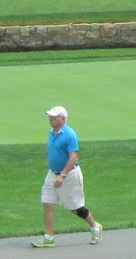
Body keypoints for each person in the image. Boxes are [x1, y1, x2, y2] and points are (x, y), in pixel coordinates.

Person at [32, 105, 103, 249]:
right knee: (47, 203)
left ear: (63, 119)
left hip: (69, 175)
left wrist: (62, 176)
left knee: (75, 208)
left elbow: (73, 156)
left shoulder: (70, 134)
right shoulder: (51, 133)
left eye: (54, 116)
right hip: (53, 173)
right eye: (50, 116)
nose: (50, 119)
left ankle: (95, 227)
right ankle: (49, 238)